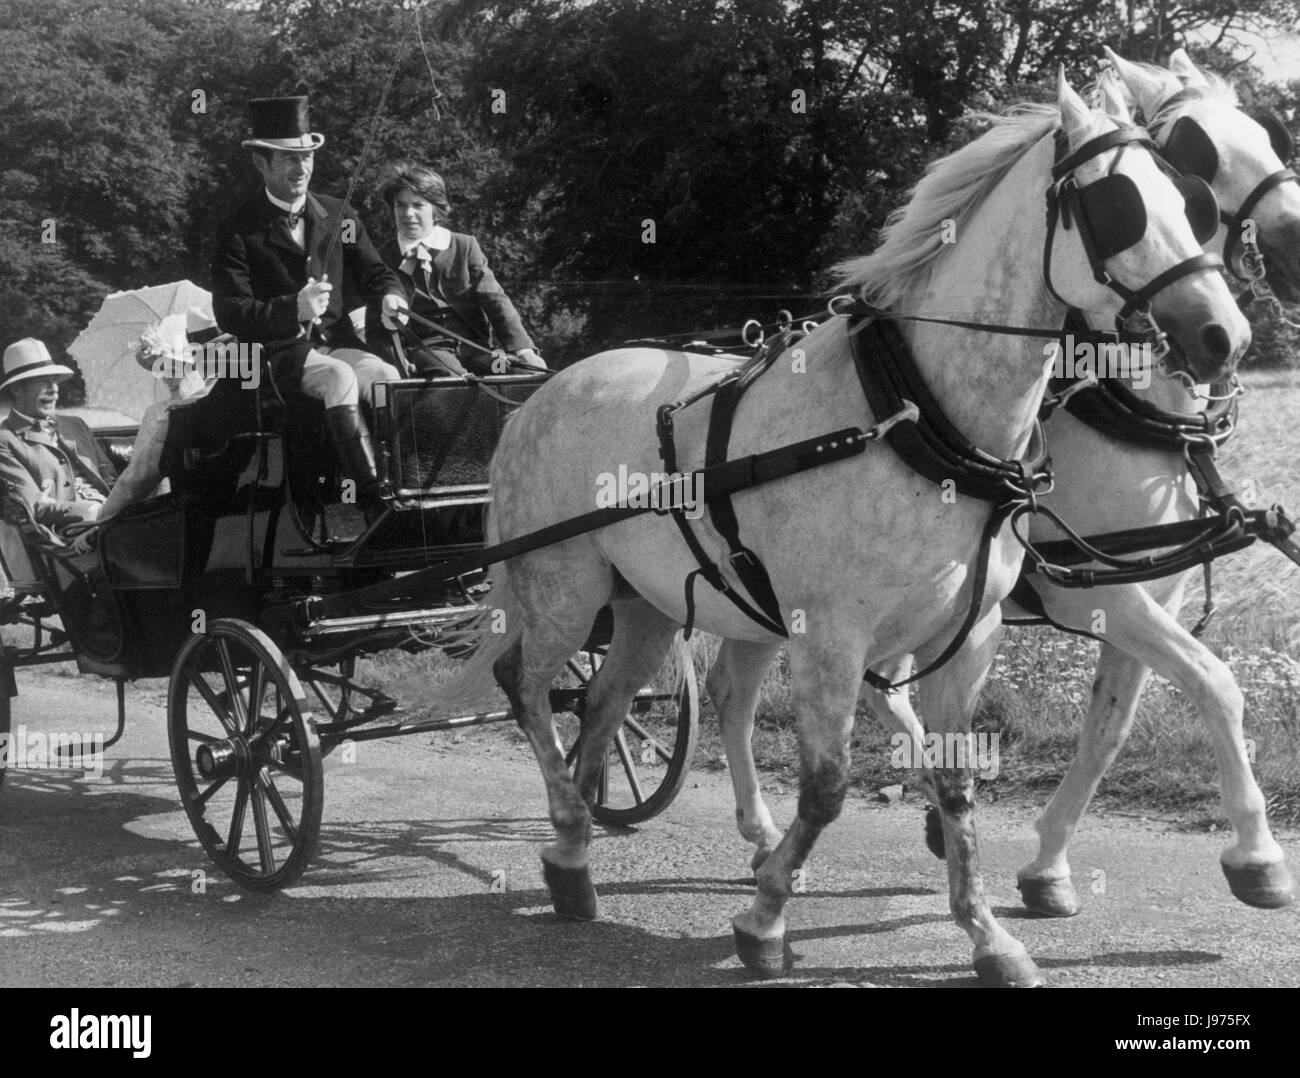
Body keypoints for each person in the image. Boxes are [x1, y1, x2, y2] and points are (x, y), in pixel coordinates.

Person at [210, 95, 408, 517]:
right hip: (272, 356)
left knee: (386, 376)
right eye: (288, 159)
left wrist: (392, 295)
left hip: (333, 342)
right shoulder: (236, 229)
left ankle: (407, 491)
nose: (301, 169)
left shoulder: (339, 215)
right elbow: (230, 311)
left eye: (307, 158)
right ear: (262, 164)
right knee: (338, 378)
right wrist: (292, 308)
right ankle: (376, 507)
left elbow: (374, 272)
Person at [367, 162, 545, 375]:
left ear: (436, 209)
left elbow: (495, 299)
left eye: (418, 205)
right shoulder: (382, 258)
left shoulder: (464, 246)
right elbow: (374, 327)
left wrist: (524, 351)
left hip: (478, 349)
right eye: (400, 205)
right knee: (453, 379)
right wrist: (396, 361)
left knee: (518, 372)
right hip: (427, 351)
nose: (408, 214)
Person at [95, 311, 215, 523]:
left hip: (174, 518)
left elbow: (136, 480)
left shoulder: (172, 412)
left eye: (172, 366)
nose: (164, 376)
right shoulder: (239, 398)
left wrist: (99, 523)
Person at [0, 338, 116, 543]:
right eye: (43, 381)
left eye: (54, 379)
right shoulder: (6, 440)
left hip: (115, 518)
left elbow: (109, 476)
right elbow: (33, 506)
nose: (54, 389)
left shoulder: (76, 425)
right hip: (71, 535)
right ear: (17, 389)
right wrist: (92, 510)